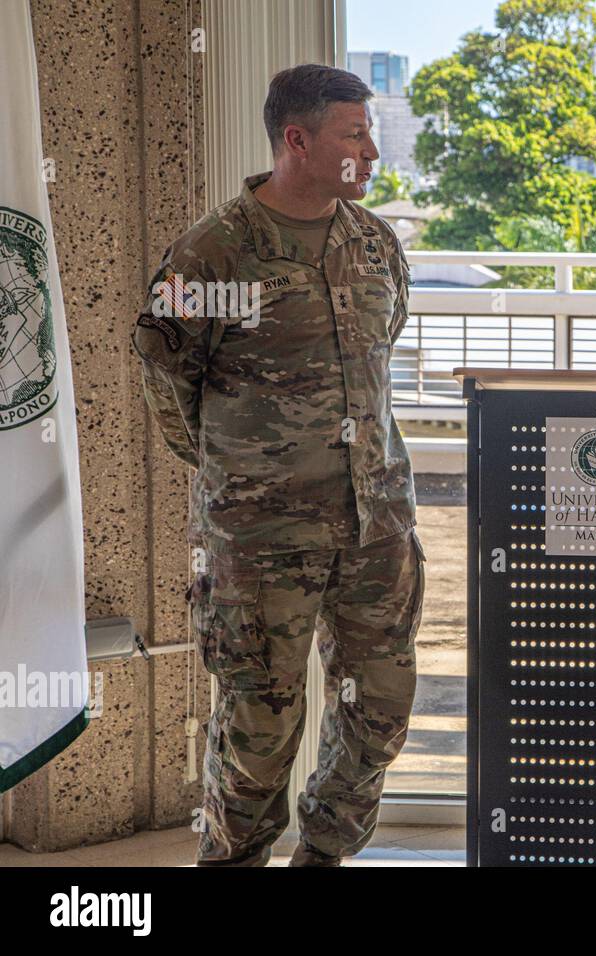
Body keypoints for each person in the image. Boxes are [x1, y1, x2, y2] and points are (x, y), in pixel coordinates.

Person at [131, 63, 423, 867]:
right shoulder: (215, 255)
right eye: (354, 133)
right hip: (261, 539)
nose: (372, 148)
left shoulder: (373, 243)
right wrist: (241, 476)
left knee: (382, 709)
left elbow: (377, 355)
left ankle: (324, 855)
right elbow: (166, 377)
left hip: (375, 527)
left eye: (370, 131)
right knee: (261, 730)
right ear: (297, 140)